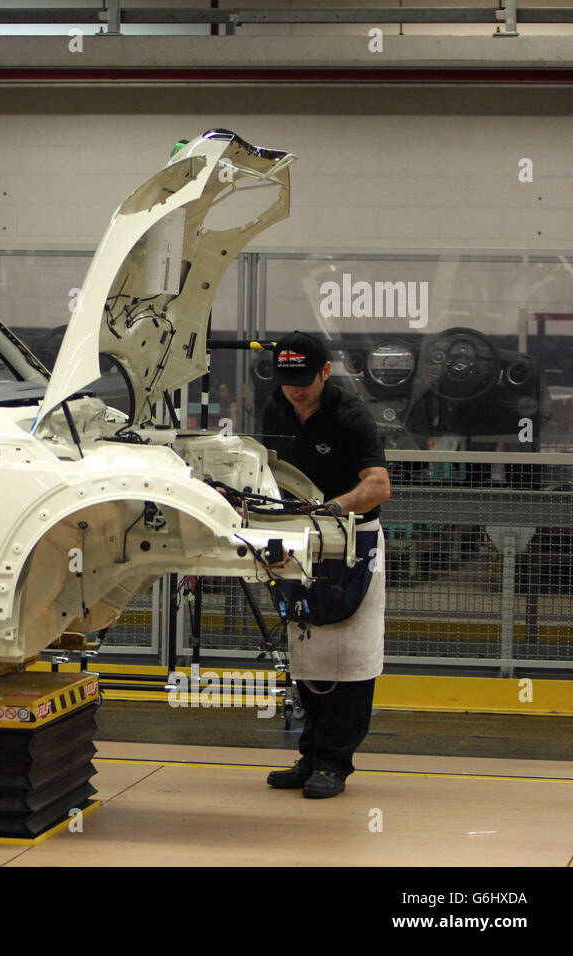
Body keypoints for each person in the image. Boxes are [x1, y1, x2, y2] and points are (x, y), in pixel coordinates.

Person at [258, 331, 391, 798]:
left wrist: (333, 508)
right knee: (308, 650)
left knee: (351, 656)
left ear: (326, 372)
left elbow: (379, 485)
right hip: (298, 543)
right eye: (287, 380)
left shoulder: (350, 415)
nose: (296, 390)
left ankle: (336, 763)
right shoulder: (275, 406)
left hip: (353, 544)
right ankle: (311, 754)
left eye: (305, 380)